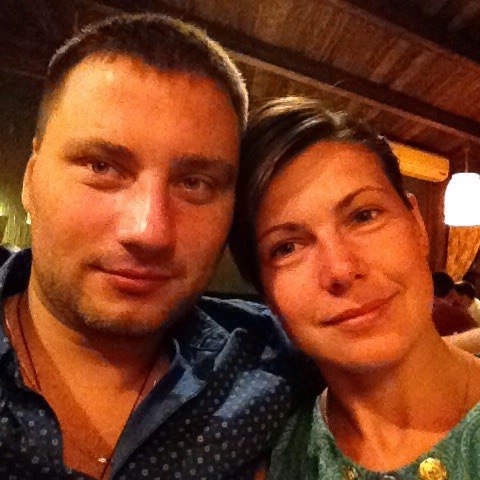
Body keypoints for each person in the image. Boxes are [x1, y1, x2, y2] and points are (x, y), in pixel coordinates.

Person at [0, 14, 298, 479]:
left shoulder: (273, 359)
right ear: (31, 178)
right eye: (101, 167)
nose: (149, 231)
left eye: (195, 183)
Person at [230, 97, 480, 479]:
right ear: (265, 293)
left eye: (364, 216)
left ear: (417, 225)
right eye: (287, 247)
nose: (341, 269)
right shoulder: (276, 456)